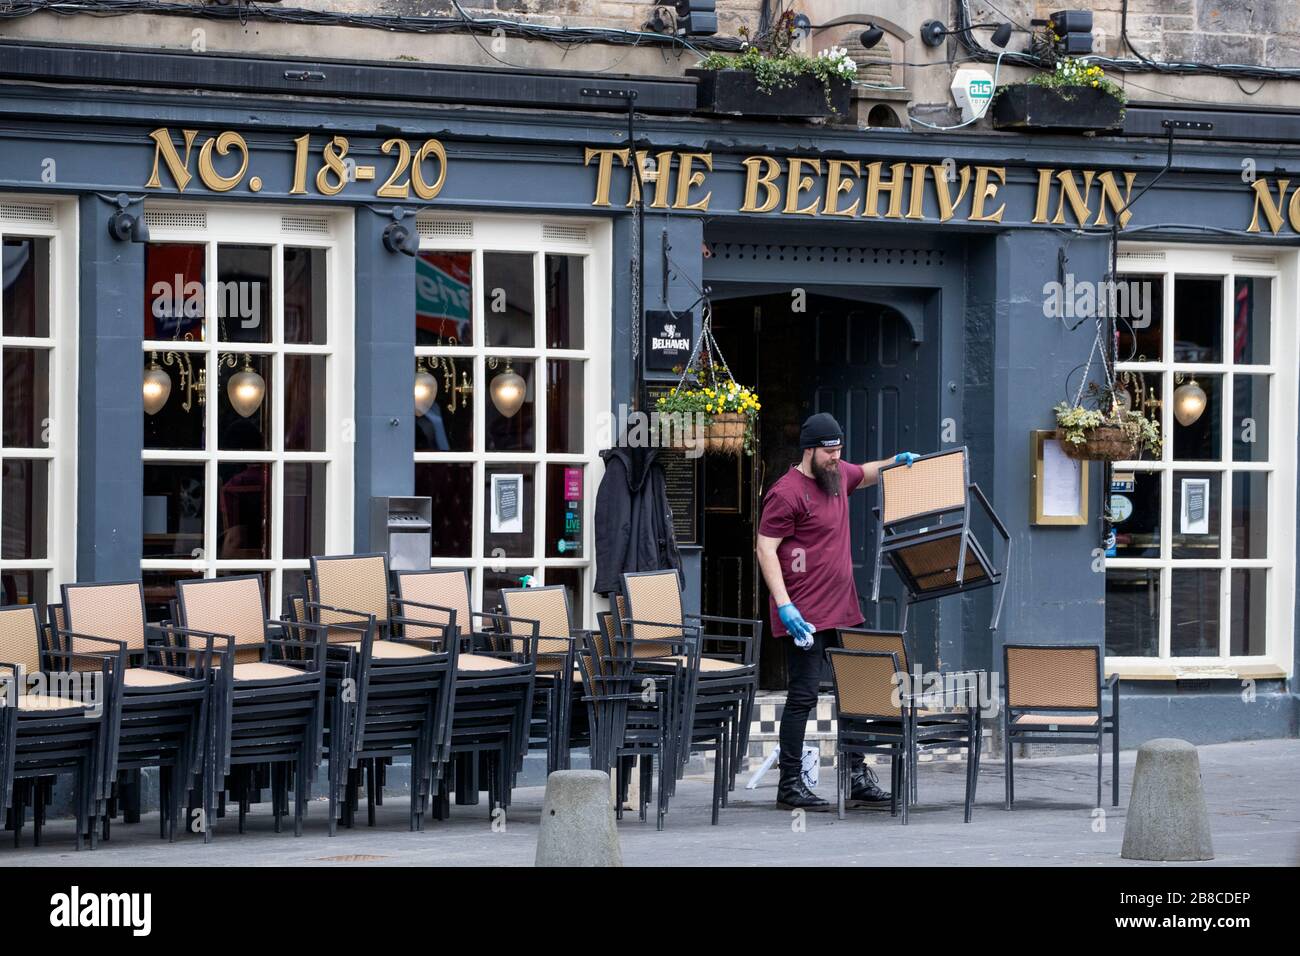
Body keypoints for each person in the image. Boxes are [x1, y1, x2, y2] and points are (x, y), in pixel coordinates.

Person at [755, 411, 918, 811]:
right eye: (829, 452)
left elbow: (863, 472)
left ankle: (857, 776)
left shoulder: (837, 475)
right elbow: (765, 548)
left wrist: (896, 462)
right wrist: (784, 605)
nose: (836, 458)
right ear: (810, 450)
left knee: (858, 693)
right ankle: (790, 784)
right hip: (805, 615)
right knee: (803, 696)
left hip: (844, 609)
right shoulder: (786, 492)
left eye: (839, 450)